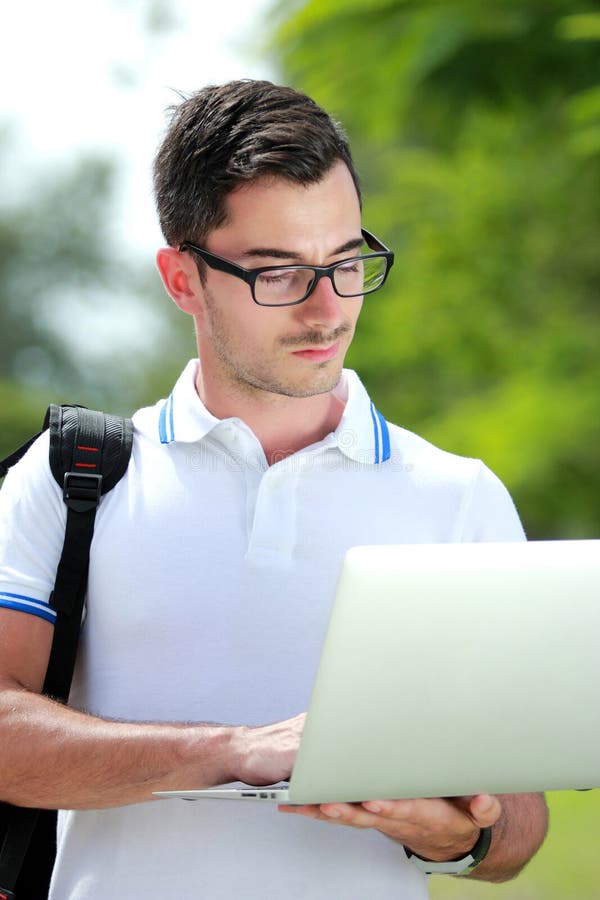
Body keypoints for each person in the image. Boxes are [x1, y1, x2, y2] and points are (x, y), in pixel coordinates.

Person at [0, 79, 547, 899]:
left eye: (346, 261)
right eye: (278, 273)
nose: (328, 308)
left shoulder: (457, 497)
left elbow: (520, 827)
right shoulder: (74, 475)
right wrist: (236, 752)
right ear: (183, 279)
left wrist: (465, 833)